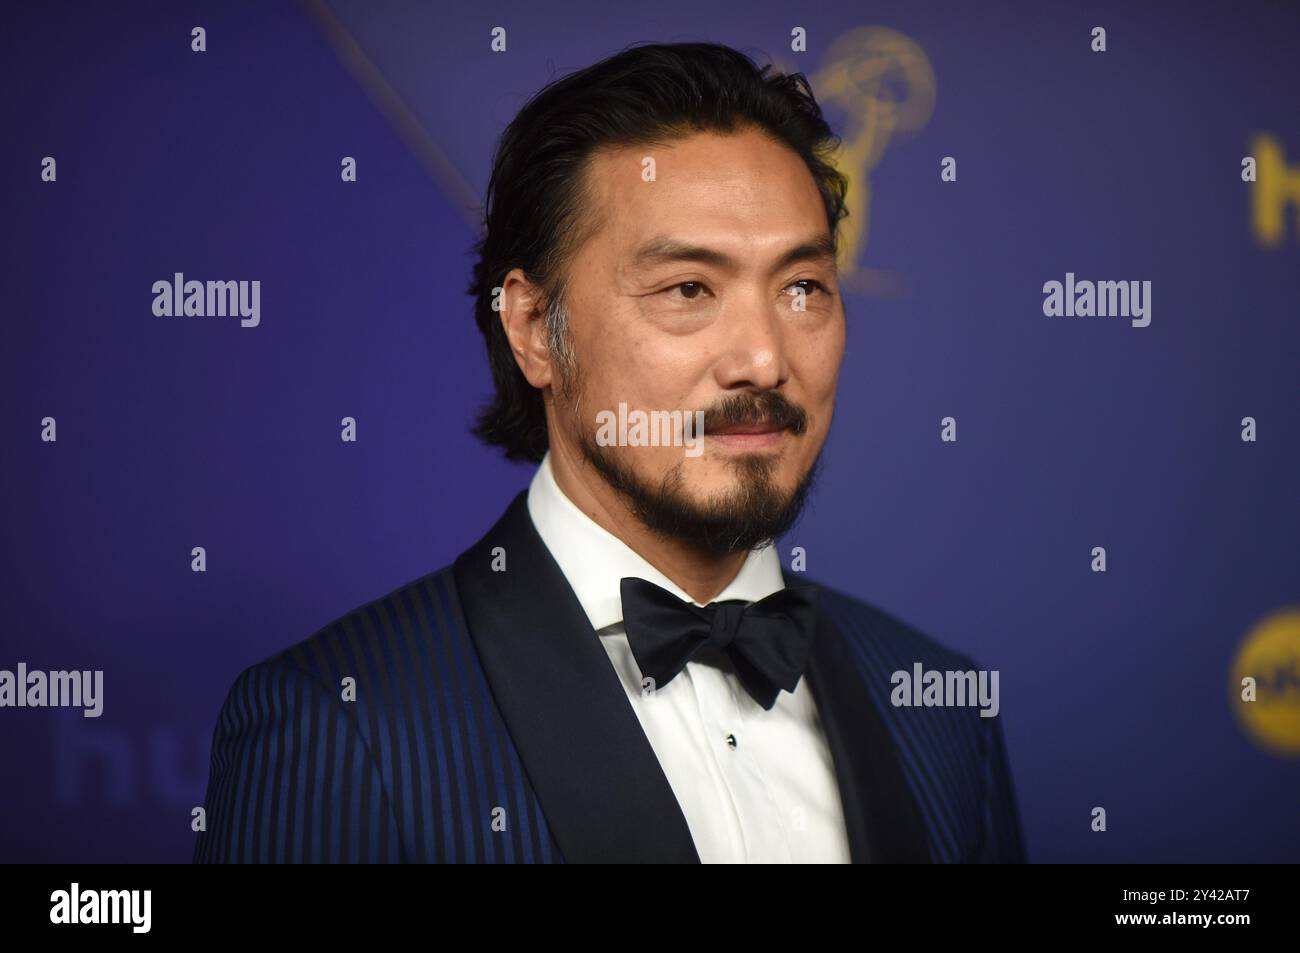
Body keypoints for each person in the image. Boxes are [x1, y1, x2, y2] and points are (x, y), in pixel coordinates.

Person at [193, 41, 1025, 864]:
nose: (765, 359)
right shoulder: (340, 720)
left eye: (800, 288)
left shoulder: (936, 704)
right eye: (688, 289)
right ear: (531, 330)